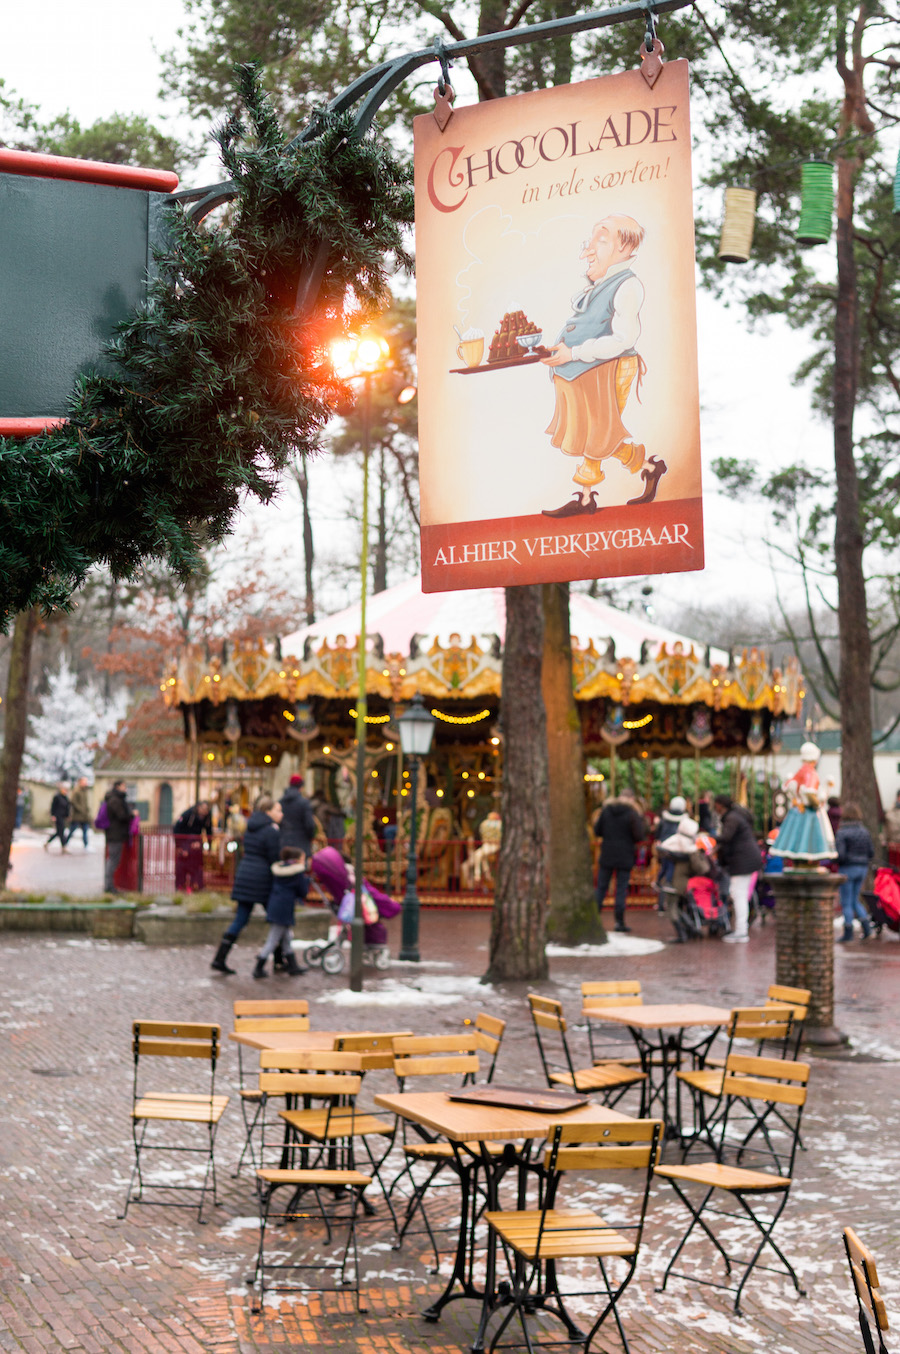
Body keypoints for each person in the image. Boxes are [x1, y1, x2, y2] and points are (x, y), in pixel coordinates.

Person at [540, 215, 666, 519]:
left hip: (610, 369)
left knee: (597, 432)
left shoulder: (628, 285)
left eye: (602, 238)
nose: (590, 246)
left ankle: (586, 498)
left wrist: (573, 353)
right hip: (585, 370)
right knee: (595, 432)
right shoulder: (602, 282)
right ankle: (647, 468)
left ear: (623, 247)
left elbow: (624, 339)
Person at [211, 794, 283, 975]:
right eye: (278, 810)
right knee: (278, 918)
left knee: (240, 919)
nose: (281, 814)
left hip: (245, 875)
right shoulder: (271, 831)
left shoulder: (251, 827)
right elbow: (274, 857)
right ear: (268, 812)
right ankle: (280, 960)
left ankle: (220, 958)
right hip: (262, 879)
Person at [310, 846, 401, 965]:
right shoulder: (351, 877)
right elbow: (371, 893)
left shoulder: (345, 877)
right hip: (359, 905)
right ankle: (372, 948)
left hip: (345, 903)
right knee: (373, 924)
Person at [768, 741, 836, 864]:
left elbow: (788, 787)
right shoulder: (811, 773)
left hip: (796, 812)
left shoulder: (800, 772)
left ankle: (801, 864)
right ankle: (808, 864)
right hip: (809, 814)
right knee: (808, 844)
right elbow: (809, 792)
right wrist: (817, 803)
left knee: (795, 841)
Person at [593, 787, 648, 933]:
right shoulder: (632, 813)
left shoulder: (606, 811)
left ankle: (594, 919)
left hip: (607, 853)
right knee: (621, 889)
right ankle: (619, 921)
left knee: (601, 887)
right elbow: (639, 835)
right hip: (625, 854)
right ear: (631, 799)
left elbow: (597, 830)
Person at [252, 846, 309, 979]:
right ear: (297, 860)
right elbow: (303, 892)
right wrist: (306, 881)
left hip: (275, 905)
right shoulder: (297, 873)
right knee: (273, 939)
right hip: (284, 909)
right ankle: (258, 967)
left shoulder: (278, 870)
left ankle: (293, 966)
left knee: (286, 938)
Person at [713, 793, 763, 944]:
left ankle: (741, 931)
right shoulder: (735, 816)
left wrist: (710, 838)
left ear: (720, 805)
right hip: (746, 860)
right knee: (739, 893)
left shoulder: (732, 818)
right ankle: (741, 929)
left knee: (738, 894)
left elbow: (726, 837)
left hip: (743, 861)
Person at [657, 815, 710, 942]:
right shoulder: (690, 849)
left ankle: (683, 933)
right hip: (682, 882)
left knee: (672, 907)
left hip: (676, 882)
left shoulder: (677, 848)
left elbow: (701, 868)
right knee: (678, 907)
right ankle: (691, 930)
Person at [835, 802, 874, 942]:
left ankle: (848, 932)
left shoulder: (842, 832)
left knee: (846, 902)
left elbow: (841, 855)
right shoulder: (864, 831)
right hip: (862, 868)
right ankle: (867, 928)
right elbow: (871, 852)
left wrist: (834, 860)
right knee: (854, 900)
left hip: (847, 868)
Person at [172, 799, 213, 891]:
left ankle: (197, 885)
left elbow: (209, 831)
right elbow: (177, 828)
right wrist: (179, 846)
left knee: (197, 865)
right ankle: (180, 885)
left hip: (196, 842)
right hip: (184, 840)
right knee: (182, 864)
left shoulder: (207, 816)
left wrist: (209, 846)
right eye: (203, 809)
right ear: (198, 808)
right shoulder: (188, 814)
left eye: (207, 810)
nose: (205, 812)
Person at [103, 780, 132, 893]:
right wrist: (131, 815)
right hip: (115, 834)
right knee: (113, 860)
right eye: (124, 786)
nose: (126, 788)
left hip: (116, 833)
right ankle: (109, 886)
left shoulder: (115, 798)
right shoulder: (115, 800)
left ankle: (109, 886)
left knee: (113, 860)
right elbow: (121, 815)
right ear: (118, 786)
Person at [461, 810, 502, 889]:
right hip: (488, 845)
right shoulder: (488, 824)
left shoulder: (494, 824)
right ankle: (479, 877)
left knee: (480, 856)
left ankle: (480, 876)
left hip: (493, 844)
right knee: (479, 856)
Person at [280, 774, 317, 855]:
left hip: (284, 843)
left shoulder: (281, 802)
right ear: (301, 787)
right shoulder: (304, 803)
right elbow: (310, 825)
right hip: (301, 844)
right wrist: (310, 836)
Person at [65, 777, 91, 848]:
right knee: (72, 831)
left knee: (85, 831)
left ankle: (86, 845)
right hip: (77, 816)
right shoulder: (76, 790)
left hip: (84, 816)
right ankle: (65, 843)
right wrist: (80, 809)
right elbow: (73, 801)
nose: (86, 783)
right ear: (80, 782)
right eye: (84, 782)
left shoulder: (85, 791)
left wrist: (87, 810)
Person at [44, 783, 71, 852]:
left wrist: (67, 815)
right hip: (57, 816)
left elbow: (67, 808)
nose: (65, 791)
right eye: (64, 789)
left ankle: (48, 843)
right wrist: (53, 815)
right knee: (61, 831)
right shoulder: (57, 797)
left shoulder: (66, 798)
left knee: (59, 832)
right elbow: (53, 807)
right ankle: (64, 847)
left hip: (63, 817)